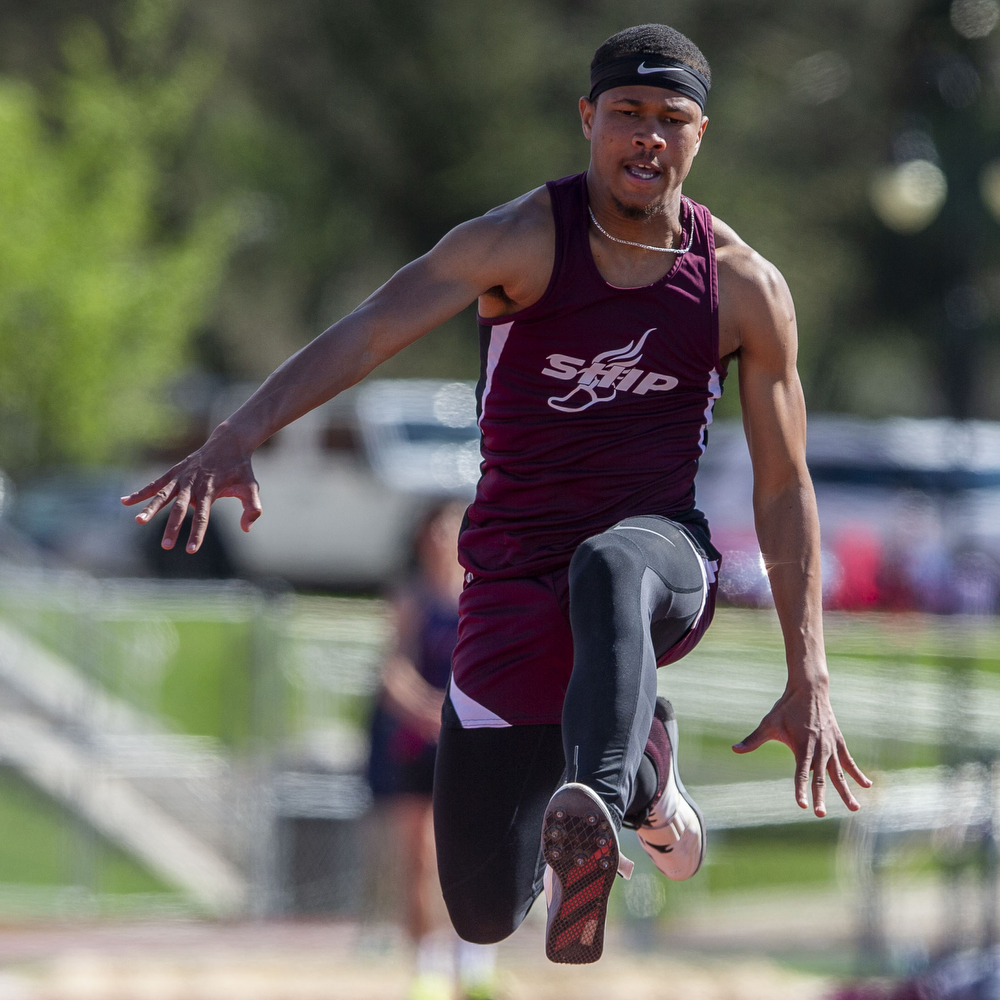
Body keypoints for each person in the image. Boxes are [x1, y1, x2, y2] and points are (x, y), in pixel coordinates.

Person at [124, 23, 872, 965]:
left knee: (612, 560)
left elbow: (785, 481)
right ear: (587, 120)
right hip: (511, 581)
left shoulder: (740, 287)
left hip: (658, 563)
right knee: (479, 910)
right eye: (627, 115)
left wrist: (810, 667)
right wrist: (238, 433)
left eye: (669, 120)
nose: (646, 137)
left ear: (698, 136)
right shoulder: (519, 242)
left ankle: (605, 797)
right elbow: (366, 333)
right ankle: (644, 777)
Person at [366, 501, 498, 1000]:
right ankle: (428, 966)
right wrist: (428, 709)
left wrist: (462, 714)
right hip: (419, 742)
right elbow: (392, 669)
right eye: (437, 530)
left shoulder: (480, 597)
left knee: (479, 854)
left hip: (471, 741)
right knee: (418, 856)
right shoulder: (412, 597)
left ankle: (476, 964)